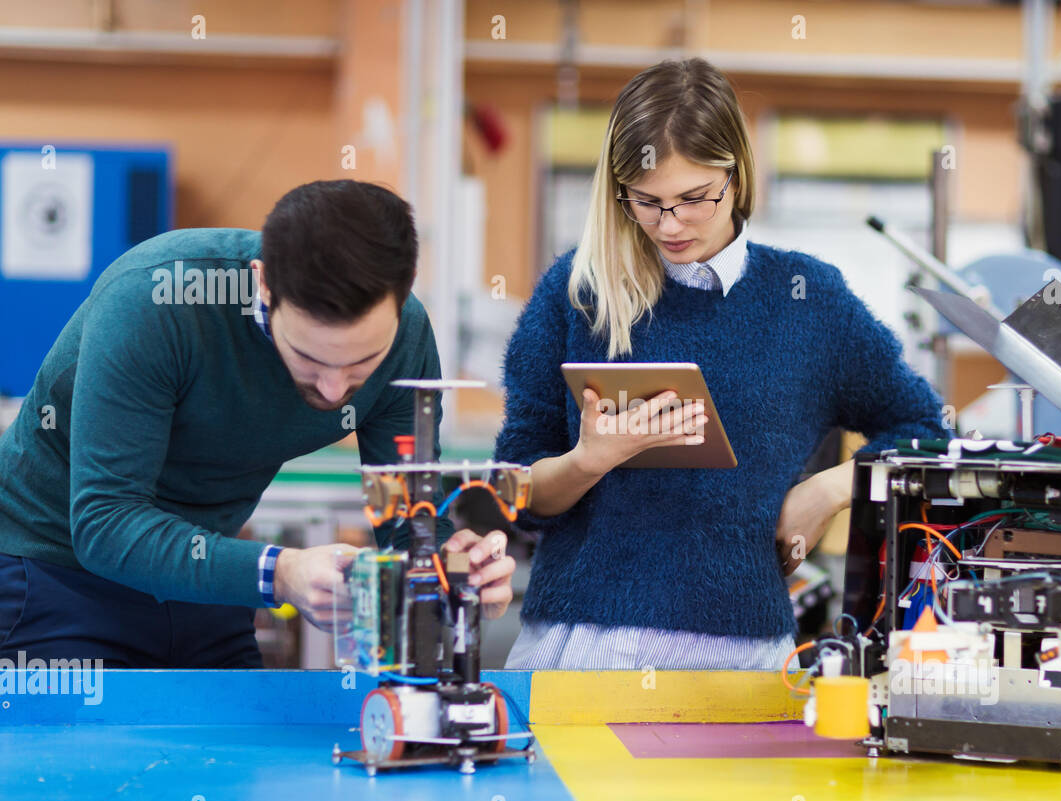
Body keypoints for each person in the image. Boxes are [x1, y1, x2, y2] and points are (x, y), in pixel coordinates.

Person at [494, 58, 946, 671]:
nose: (670, 224)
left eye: (694, 198)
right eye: (645, 201)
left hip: (746, 660)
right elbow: (514, 489)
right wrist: (586, 462)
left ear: (736, 175)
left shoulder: (806, 297)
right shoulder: (577, 293)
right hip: (578, 651)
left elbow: (925, 433)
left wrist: (830, 490)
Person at [0, 180, 515, 668]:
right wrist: (281, 573)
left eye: (362, 364)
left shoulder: (408, 339)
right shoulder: (156, 302)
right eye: (310, 359)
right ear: (263, 283)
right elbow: (106, 524)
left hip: (202, 578)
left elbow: (409, 518)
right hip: (52, 570)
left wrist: (451, 567)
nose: (335, 390)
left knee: (243, 752)